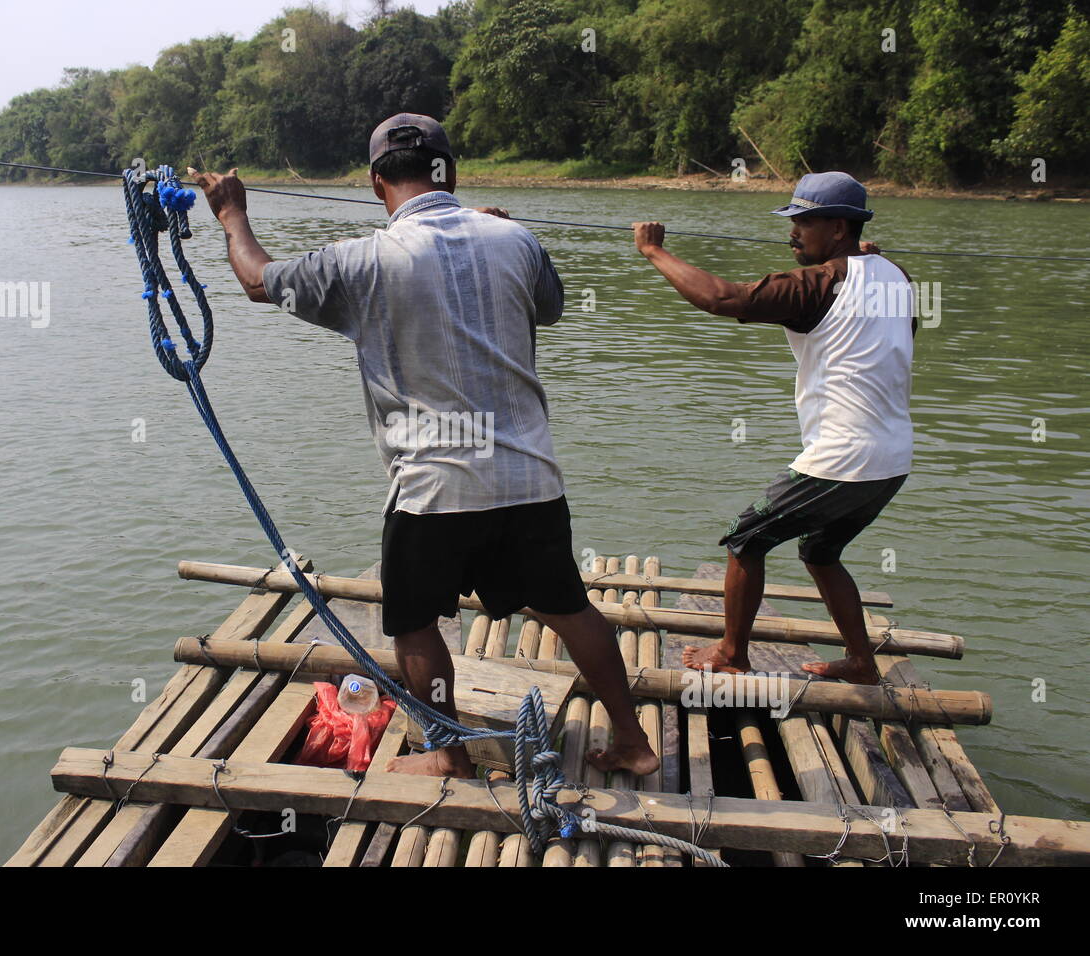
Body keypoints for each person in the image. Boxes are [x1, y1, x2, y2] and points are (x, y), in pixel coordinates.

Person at [190, 113, 658, 777]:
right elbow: (547, 307)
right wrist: (498, 233)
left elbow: (260, 281)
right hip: (529, 477)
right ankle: (634, 742)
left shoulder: (361, 260)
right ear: (452, 173)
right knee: (569, 608)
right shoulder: (515, 239)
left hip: (433, 486)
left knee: (413, 623)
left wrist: (233, 216)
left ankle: (450, 759)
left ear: (378, 180)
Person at [633, 171, 916, 685]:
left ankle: (732, 653)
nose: (792, 233)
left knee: (746, 538)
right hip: (893, 459)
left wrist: (655, 251)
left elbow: (723, 298)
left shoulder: (815, 285)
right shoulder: (894, 276)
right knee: (820, 550)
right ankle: (860, 662)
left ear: (837, 228)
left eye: (803, 223)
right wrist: (861, 256)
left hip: (845, 459)